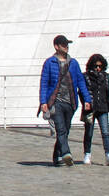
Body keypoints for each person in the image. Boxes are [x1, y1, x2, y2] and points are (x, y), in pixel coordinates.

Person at [38, 34, 92, 167]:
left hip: (71, 102)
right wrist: (43, 102)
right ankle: (66, 153)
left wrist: (87, 99)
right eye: (63, 45)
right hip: (56, 101)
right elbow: (44, 83)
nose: (66, 47)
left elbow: (80, 81)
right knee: (61, 129)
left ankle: (57, 156)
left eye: (67, 45)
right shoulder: (49, 63)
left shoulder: (73, 63)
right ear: (56, 46)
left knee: (66, 130)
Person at [82, 53, 109, 166]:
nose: (98, 68)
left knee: (106, 132)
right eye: (96, 66)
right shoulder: (86, 76)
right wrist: (85, 103)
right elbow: (82, 92)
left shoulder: (105, 77)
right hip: (90, 109)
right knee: (89, 133)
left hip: (103, 107)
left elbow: (107, 93)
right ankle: (87, 154)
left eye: (100, 66)